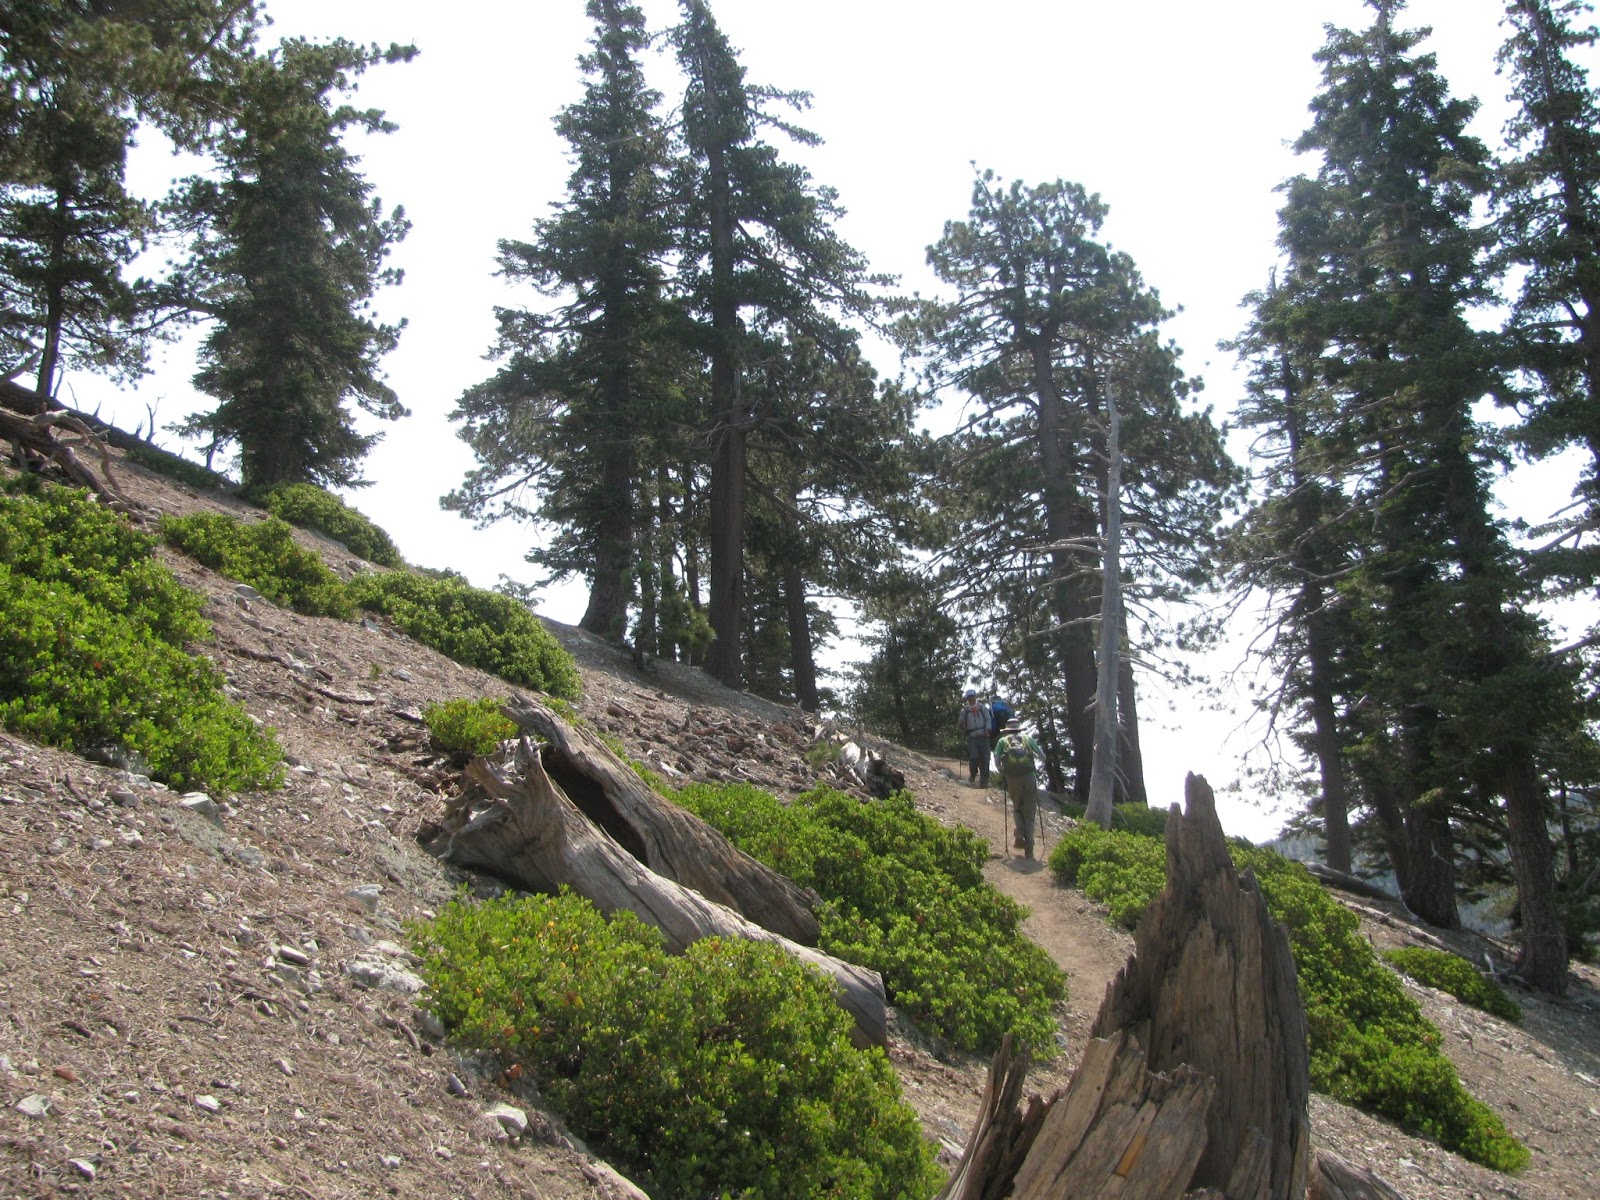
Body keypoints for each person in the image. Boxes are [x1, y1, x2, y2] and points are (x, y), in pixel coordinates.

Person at [992, 717, 1043, 857]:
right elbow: (1042, 756)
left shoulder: (1003, 741)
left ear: (1007, 730)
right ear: (1019, 729)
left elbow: (996, 757)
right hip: (1029, 776)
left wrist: (1000, 768)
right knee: (1030, 812)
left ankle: (1020, 831)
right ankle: (1030, 849)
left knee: (1017, 807)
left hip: (1012, 777)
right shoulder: (1027, 739)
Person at [957, 688, 991, 787]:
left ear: (975, 697)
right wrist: (961, 724)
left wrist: (988, 729)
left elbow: (988, 720)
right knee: (973, 757)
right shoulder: (965, 710)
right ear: (967, 698)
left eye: (972, 696)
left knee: (985, 758)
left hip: (983, 735)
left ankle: (984, 781)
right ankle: (973, 774)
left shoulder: (982, 707)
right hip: (972, 736)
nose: (971, 699)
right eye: (969, 697)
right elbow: (961, 722)